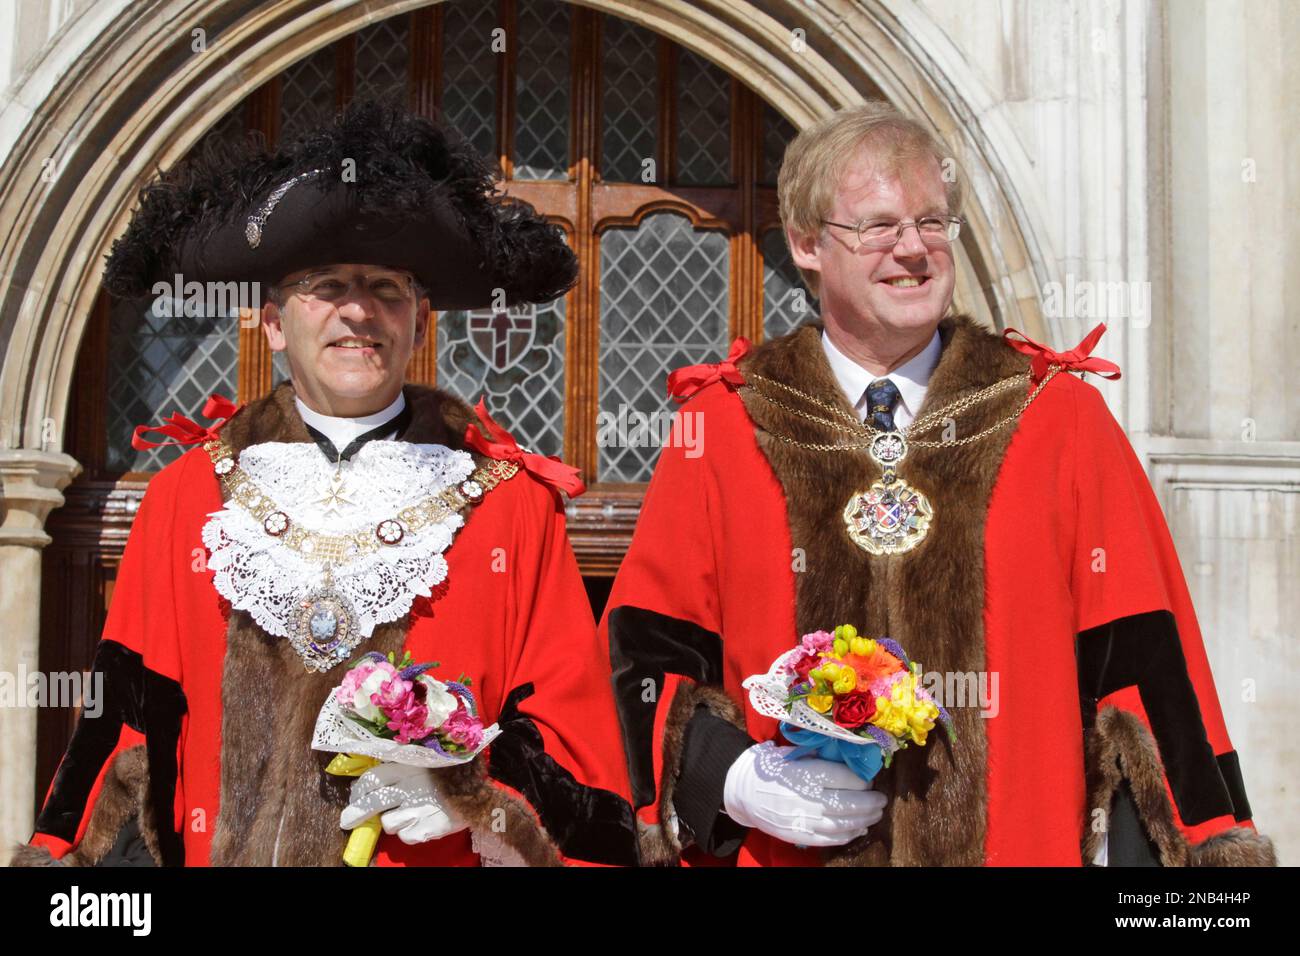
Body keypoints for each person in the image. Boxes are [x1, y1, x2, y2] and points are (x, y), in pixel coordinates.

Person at [600, 101, 1274, 867]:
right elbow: (647, 660)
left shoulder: (1056, 418)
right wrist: (734, 775)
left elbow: (1148, 673)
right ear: (808, 244)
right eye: (879, 226)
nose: (913, 250)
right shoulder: (723, 430)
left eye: (932, 222)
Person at [11, 101, 638, 867]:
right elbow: (128, 738)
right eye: (325, 285)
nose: (357, 310)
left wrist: (477, 798)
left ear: (419, 319)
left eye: (385, 288)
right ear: (274, 323)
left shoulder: (509, 506)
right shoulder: (187, 498)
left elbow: (572, 745)